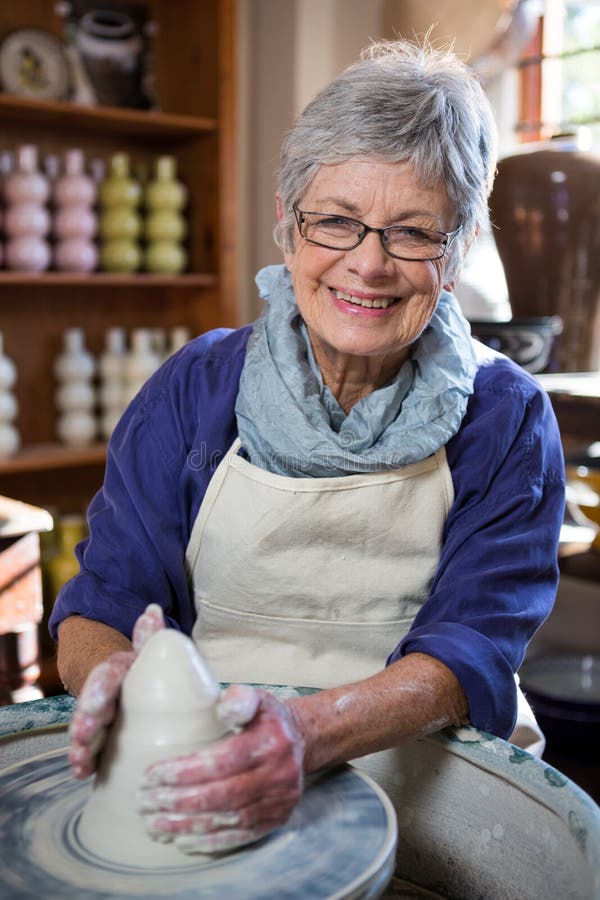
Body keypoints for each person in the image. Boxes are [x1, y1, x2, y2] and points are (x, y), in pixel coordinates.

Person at [50, 39, 565, 855]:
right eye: (336, 221)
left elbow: (471, 648)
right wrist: (110, 679)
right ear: (287, 224)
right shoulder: (194, 390)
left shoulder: (505, 416)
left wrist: (305, 732)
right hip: (207, 763)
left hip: (427, 777)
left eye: (413, 233)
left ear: (459, 249)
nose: (368, 264)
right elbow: (105, 603)